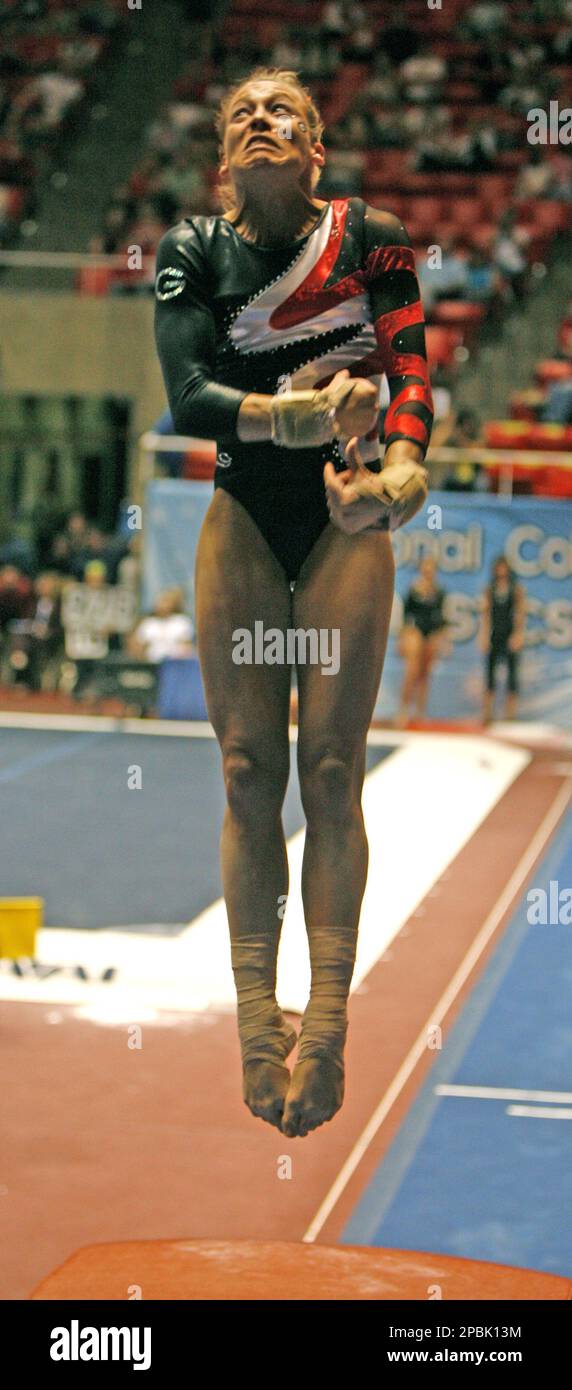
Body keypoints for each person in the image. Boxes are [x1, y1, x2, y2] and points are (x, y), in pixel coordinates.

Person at [154, 66, 433, 1139]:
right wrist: (293, 415)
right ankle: (251, 1029)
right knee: (241, 767)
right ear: (224, 156)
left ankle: (321, 1020)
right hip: (244, 515)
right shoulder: (193, 251)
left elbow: (409, 370)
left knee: (327, 768)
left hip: (341, 524)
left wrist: (397, 477)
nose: (259, 121)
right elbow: (188, 397)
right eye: (241, 114)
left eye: (283, 113)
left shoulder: (374, 235)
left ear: (315, 151)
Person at [397, 556, 448, 725]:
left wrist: (444, 639)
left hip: (431, 633)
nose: (428, 572)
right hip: (415, 631)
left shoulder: (439, 592)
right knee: (411, 672)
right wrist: (402, 638)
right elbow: (406, 616)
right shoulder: (413, 589)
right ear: (421, 569)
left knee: (425, 674)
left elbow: (441, 618)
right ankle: (403, 711)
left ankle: (420, 712)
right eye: (426, 568)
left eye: (431, 569)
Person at [480, 556, 525, 723]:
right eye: (499, 568)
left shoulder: (515, 589)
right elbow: (485, 614)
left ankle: (510, 715)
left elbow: (520, 613)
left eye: (504, 567)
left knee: (512, 675)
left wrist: (518, 634)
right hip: (495, 634)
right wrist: (484, 636)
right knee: (490, 674)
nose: (501, 571)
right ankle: (487, 713)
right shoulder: (490, 589)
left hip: (509, 634)